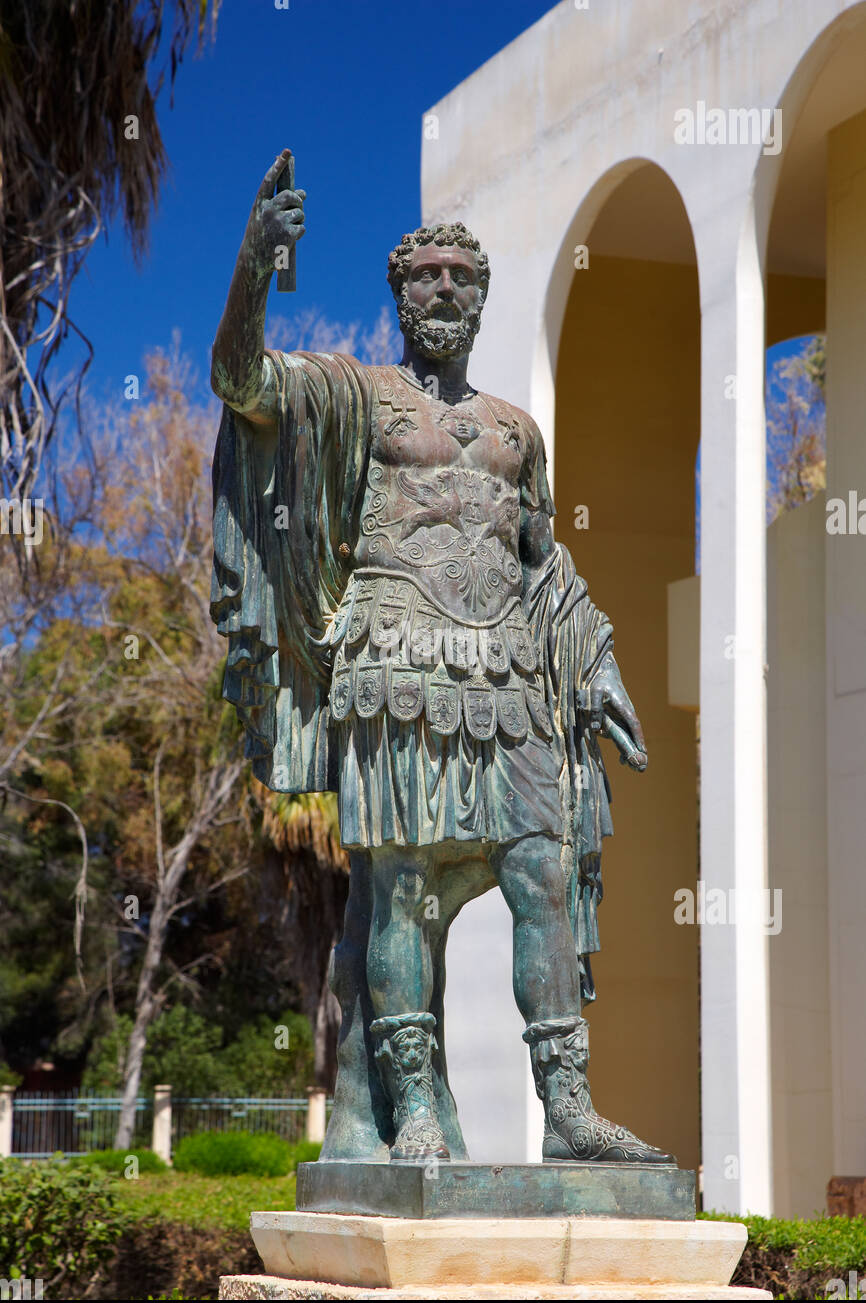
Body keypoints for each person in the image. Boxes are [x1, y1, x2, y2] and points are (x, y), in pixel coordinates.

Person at [210, 151, 673, 1165]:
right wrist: (254, 263)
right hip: (395, 668)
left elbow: (543, 564)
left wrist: (595, 667)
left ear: (480, 298)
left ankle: (566, 1109)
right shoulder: (359, 397)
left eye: (460, 279)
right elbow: (239, 380)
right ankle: (410, 1102)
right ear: (397, 295)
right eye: (423, 277)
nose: (442, 292)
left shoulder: (516, 429)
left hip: (506, 680)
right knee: (400, 892)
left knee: (542, 877)